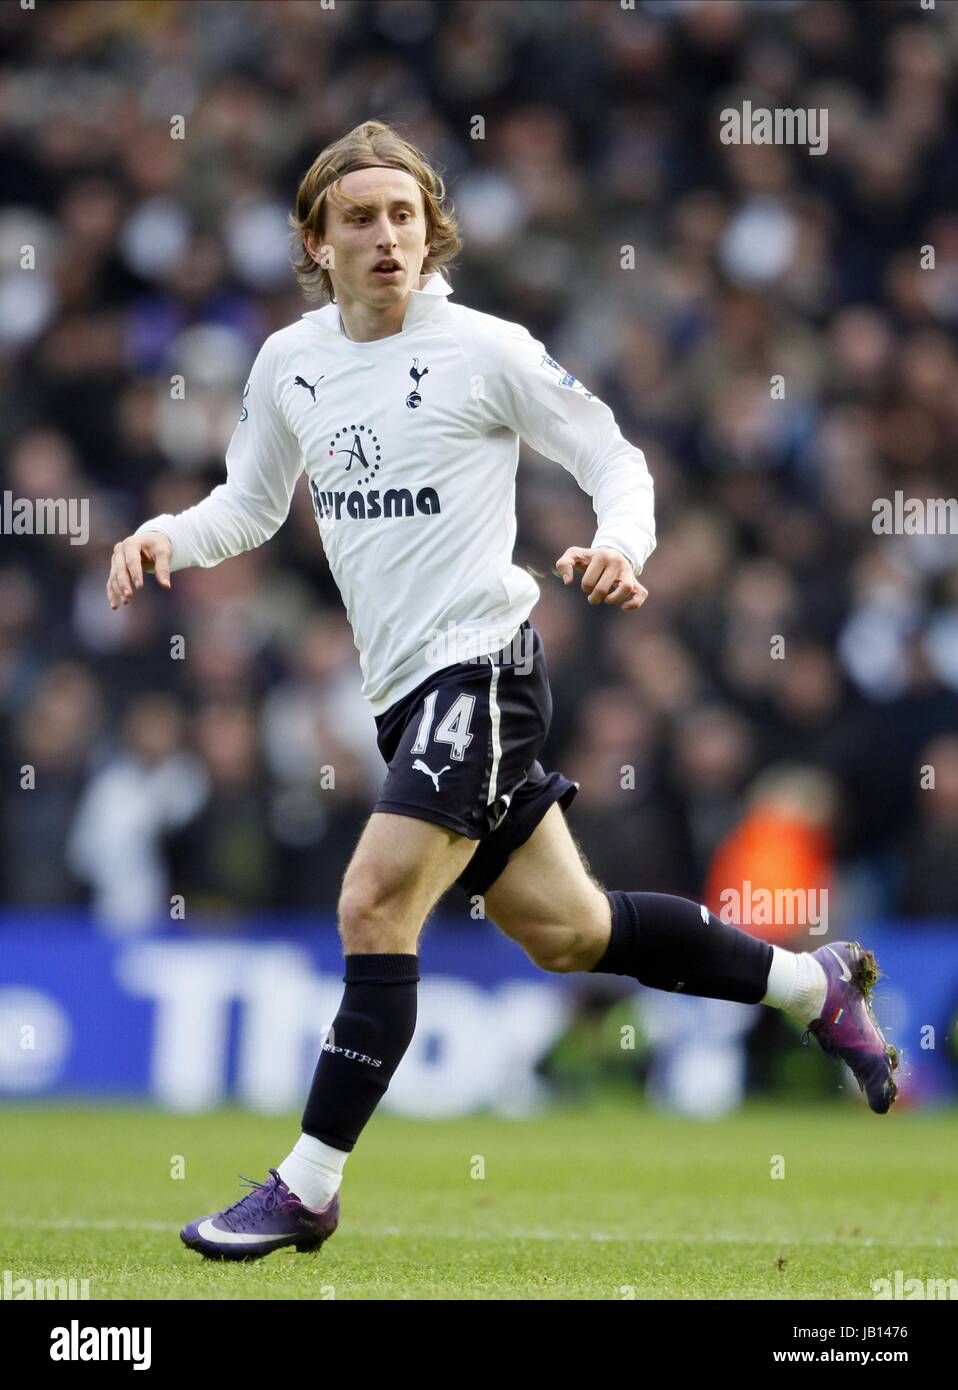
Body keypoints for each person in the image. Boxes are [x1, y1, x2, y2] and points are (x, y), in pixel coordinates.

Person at [106, 120, 898, 1263]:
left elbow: (614, 456)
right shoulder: (290, 363)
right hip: (404, 698)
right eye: (358, 219)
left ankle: (308, 1182)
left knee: (375, 903)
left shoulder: (488, 350)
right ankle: (807, 986)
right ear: (314, 243)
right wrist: (165, 536)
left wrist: (622, 542)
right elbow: (251, 502)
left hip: (480, 670)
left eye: (403, 216)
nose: (385, 237)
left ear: (432, 234)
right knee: (570, 932)